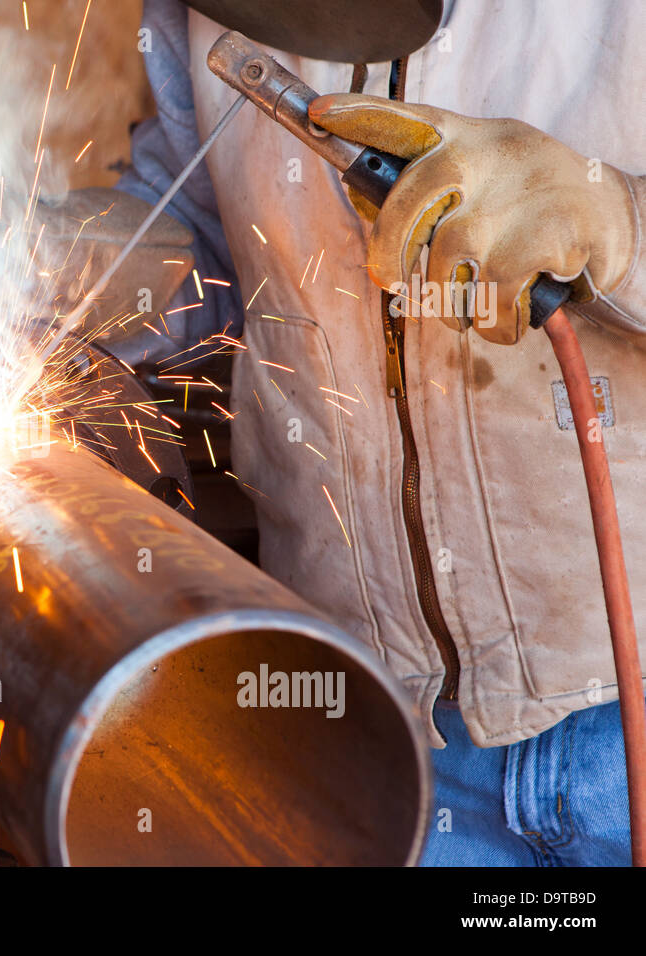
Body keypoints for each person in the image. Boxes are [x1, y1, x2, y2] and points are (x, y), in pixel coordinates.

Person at [117, 0, 646, 865]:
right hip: (367, 721)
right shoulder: (214, 11)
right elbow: (202, 227)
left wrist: (617, 217)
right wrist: (59, 270)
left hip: (625, 720)